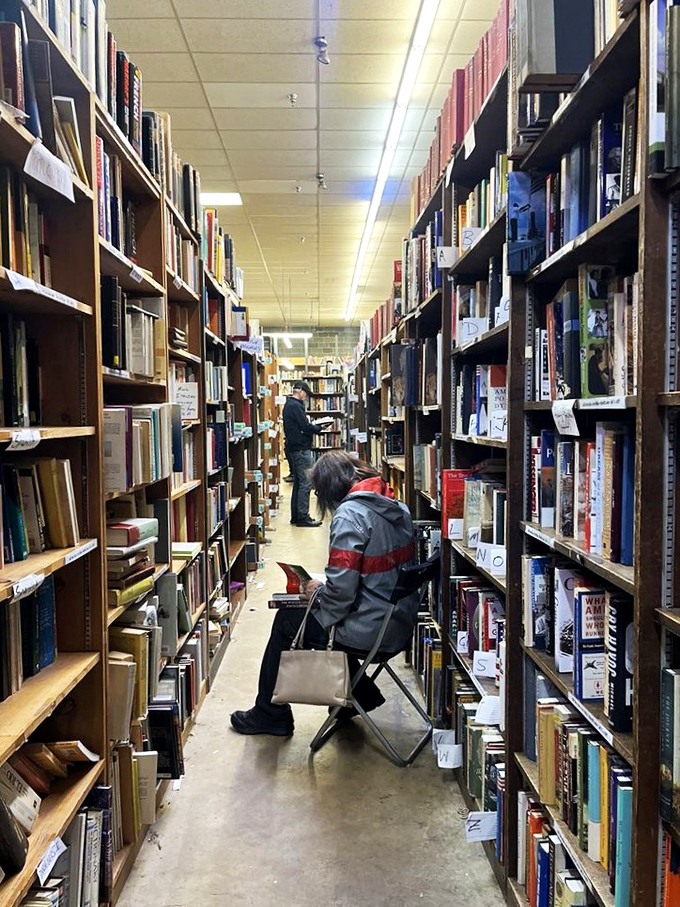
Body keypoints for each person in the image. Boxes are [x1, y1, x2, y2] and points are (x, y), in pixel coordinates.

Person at [230, 452, 421, 736]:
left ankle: (270, 714)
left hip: (370, 628)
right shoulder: (395, 505)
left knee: (287, 620)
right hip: (399, 624)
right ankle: (355, 699)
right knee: (313, 616)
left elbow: (340, 596)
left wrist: (317, 592)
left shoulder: (350, 516)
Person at [283, 380, 323, 527]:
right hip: (300, 449)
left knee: (299, 483)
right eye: (305, 393)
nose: (306, 397)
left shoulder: (289, 405)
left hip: (294, 448)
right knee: (306, 483)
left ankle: (296, 516)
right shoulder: (295, 406)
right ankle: (302, 517)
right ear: (299, 391)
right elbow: (305, 426)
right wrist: (319, 428)